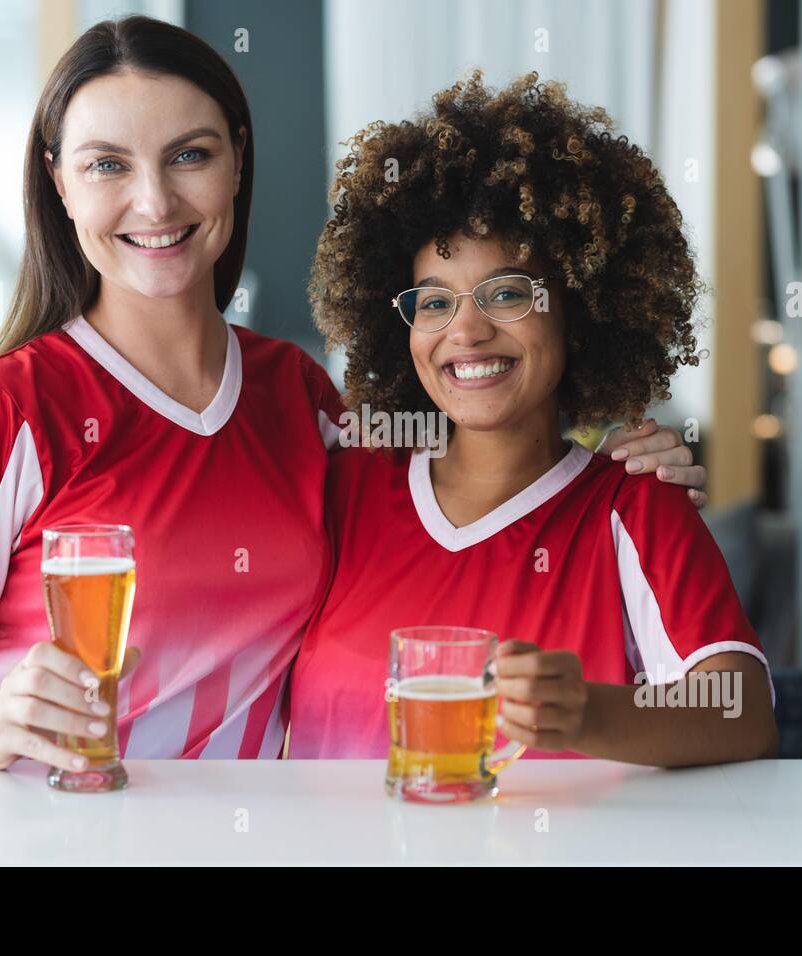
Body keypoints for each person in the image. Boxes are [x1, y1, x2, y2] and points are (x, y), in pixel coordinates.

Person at [0, 19, 704, 772]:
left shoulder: (301, 398)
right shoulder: (4, 409)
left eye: (190, 154)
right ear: (61, 183)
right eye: (107, 164)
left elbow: (477, 451)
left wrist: (621, 462)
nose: (155, 200)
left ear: (238, 161)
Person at [289, 71, 776, 766]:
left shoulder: (634, 506)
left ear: (576, 310)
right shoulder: (344, 491)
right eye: (433, 302)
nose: (466, 331)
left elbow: (742, 711)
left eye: (507, 293)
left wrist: (588, 714)